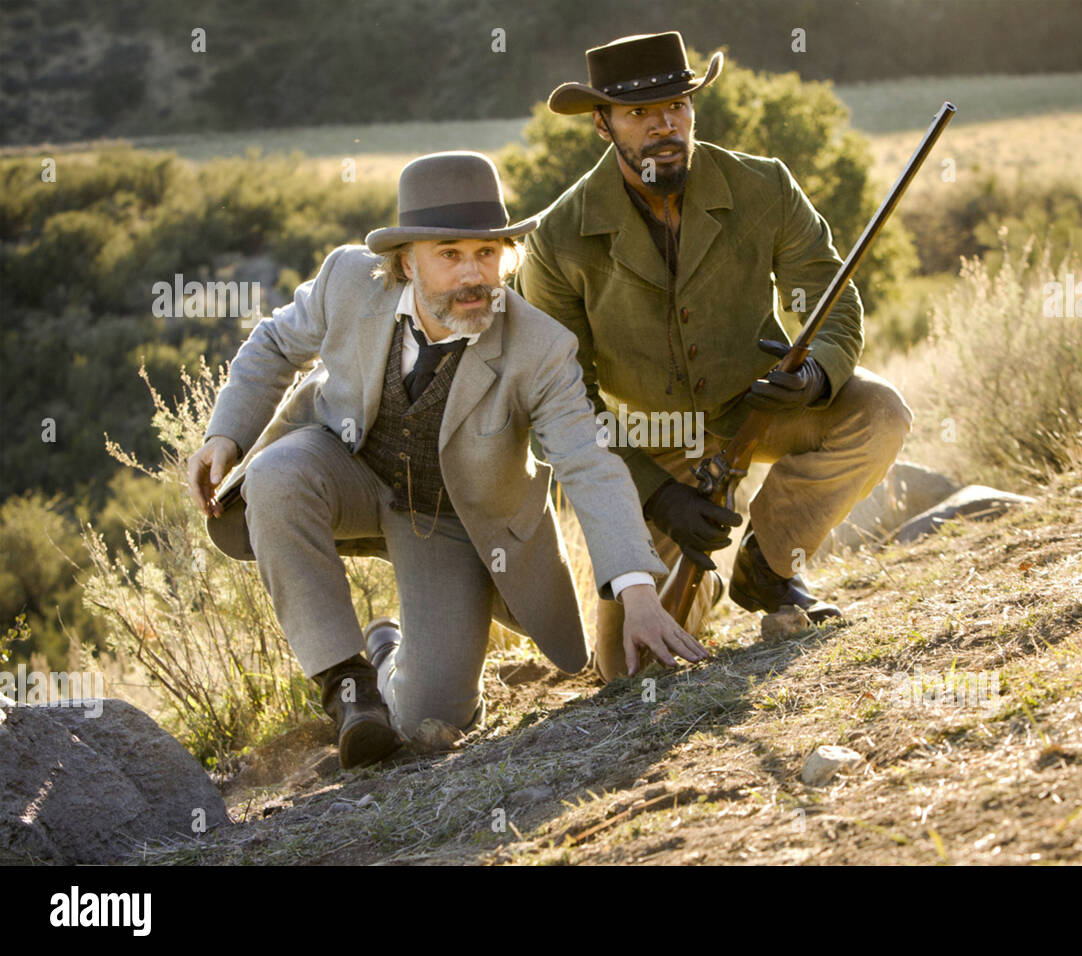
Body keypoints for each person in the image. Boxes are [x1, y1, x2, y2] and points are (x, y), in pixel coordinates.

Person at [187, 151, 705, 768]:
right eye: (450, 254)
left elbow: (586, 463)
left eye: (487, 254)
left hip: (451, 521)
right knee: (277, 473)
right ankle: (347, 687)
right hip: (347, 473)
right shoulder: (347, 281)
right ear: (407, 262)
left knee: (433, 719)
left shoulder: (540, 349)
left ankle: (387, 652)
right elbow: (274, 342)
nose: (472, 275)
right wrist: (227, 434)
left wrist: (639, 590)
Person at [517, 32, 914, 681]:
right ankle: (691, 584)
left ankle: (768, 566)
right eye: (640, 113)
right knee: (630, 672)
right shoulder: (558, 240)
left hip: (760, 409)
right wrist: (657, 494)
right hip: (647, 441)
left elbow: (832, 296)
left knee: (881, 412)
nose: (663, 124)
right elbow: (561, 406)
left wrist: (814, 378)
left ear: (693, 109)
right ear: (602, 124)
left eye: (676, 105)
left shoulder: (765, 187)